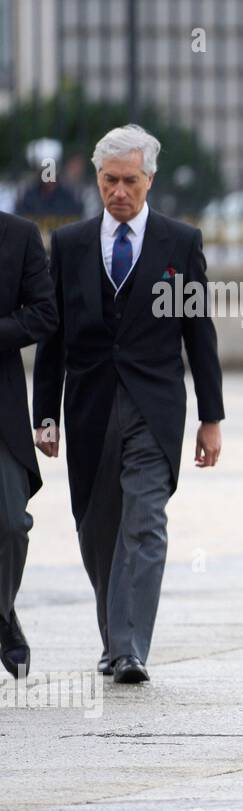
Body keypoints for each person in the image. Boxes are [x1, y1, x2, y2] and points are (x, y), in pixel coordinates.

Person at [32, 124, 225, 684]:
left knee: (145, 521)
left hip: (155, 407)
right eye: (110, 181)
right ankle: (114, 637)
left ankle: (130, 649)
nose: (120, 191)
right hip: (89, 406)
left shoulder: (180, 242)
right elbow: (53, 338)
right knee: (97, 529)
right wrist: (45, 415)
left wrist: (210, 418)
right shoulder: (67, 245)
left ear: (150, 180)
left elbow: (199, 332)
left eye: (131, 181)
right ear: (97, 179)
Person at [0, 211, 58, 678]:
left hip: (2, 411)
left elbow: (44, 313)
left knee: (11, 523)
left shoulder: (18, 235)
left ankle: (1, 614)